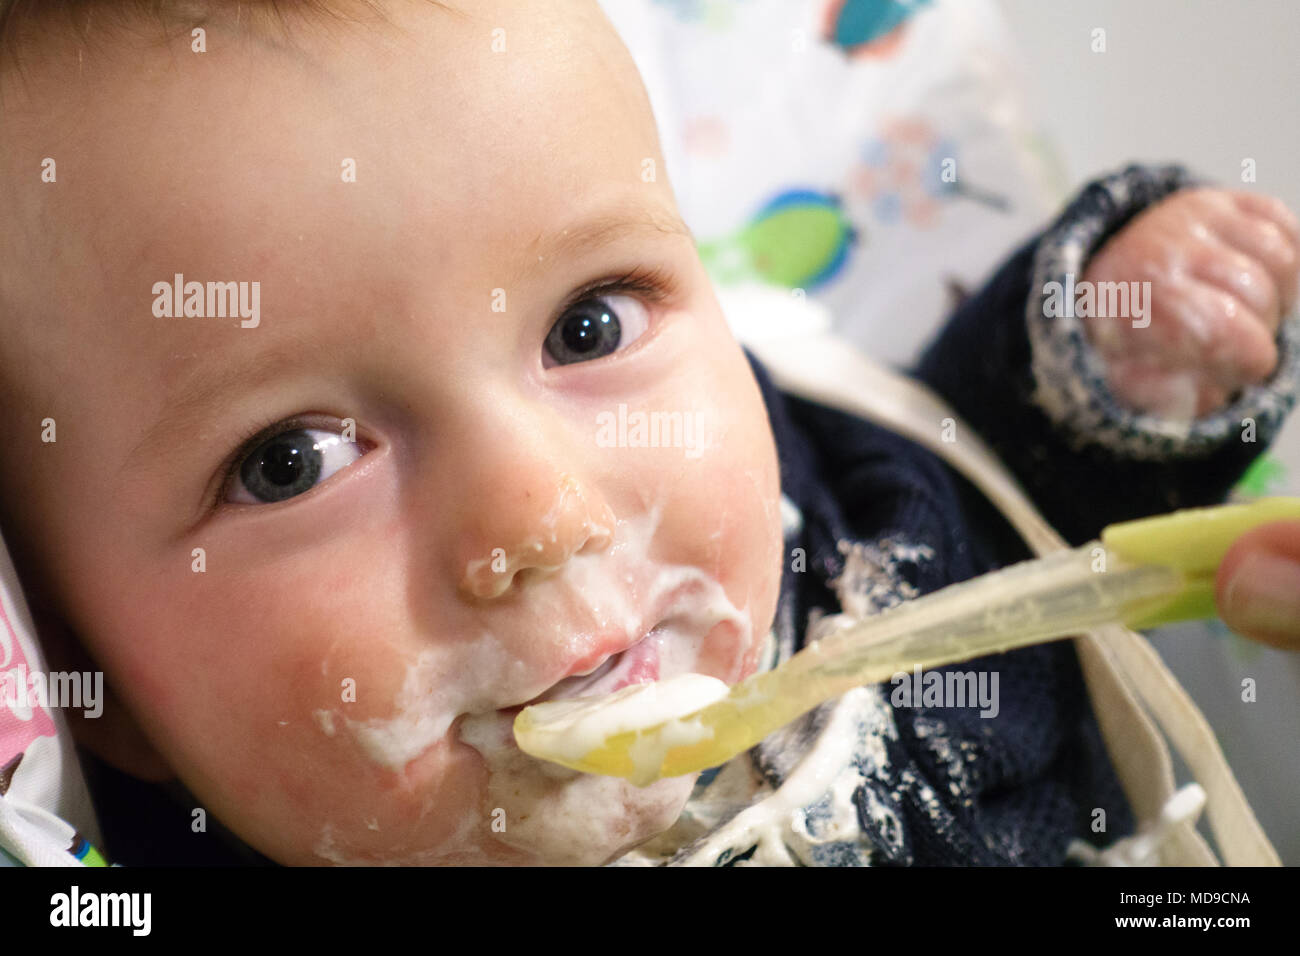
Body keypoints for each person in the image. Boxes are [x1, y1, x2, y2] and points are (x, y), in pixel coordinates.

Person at [0, 0, 1294, 865]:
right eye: (290, 462)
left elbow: (1013, 506)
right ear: (79, 667)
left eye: (590, 328)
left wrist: (1103, 355)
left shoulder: (846, 530)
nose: (544, 515)